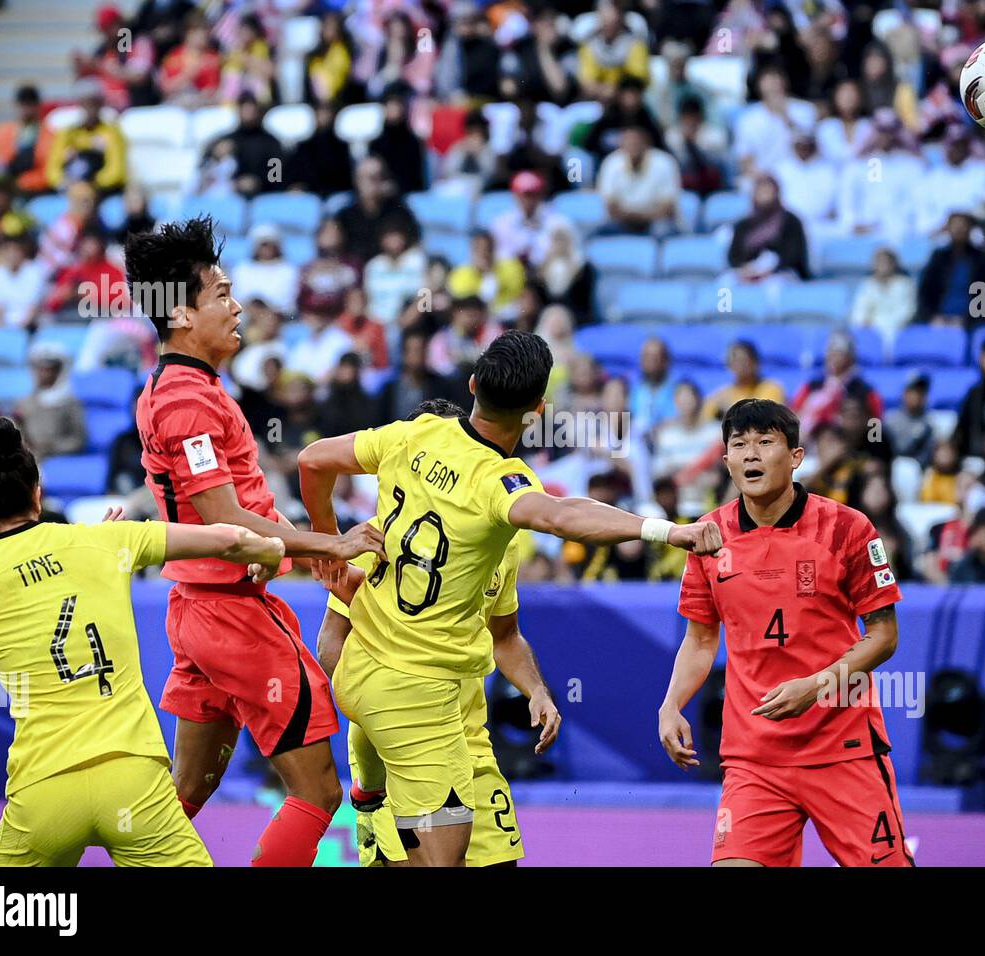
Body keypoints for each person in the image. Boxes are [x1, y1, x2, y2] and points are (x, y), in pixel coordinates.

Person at [297, 330, 723, 866]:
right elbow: (565, 516)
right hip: (414, 696)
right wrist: (665, 531)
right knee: (440, 861)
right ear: (539, 409)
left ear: (473, 384)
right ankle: (373, 803)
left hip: (444, 705)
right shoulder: (502, 485)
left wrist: (327, 541)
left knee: (488, 859)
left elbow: (313, 459)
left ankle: (378, 805)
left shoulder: (417, 433)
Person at [123, 216, 386, 867]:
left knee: (183, 796)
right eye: (221, 294)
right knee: (320, 791)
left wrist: (307, 557)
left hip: (200, 608)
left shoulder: (179, 387)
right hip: (232, 617)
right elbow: (227, 526)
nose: (237, 305)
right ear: (181, 313)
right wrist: (332, 547)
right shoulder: (186, 401)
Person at [0, 416, 288, 866]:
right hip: (133, 780)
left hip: (44, 789)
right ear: (37, 494)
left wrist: (85, 553)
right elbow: (230, 539)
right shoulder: (108, 543)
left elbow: (20, 626)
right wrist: (270, 552)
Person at [660, 399, 910, 867]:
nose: (751, 454)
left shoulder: (848, 528)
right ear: (726, 459)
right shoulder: (707, 537)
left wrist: (815, 688)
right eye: (740, 444)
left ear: (795, 457)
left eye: (765, 442)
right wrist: (671, 704)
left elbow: (884, 636)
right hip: (754, 757)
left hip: (844, 748)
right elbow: (700, 640)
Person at [314, 398, 561, 867]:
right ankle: (369, 797)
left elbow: (504, 637)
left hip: (471, 742)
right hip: (402, 751)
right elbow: (332, 642)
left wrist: (537, 691)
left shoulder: (496, 540)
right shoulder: (379, 539)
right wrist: (382, 719)